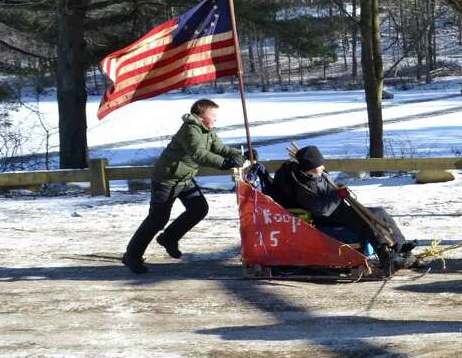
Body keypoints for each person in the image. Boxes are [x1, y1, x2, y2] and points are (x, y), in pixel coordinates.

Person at [253, 144, 417, 276]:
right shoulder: (303, 186)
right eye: (320, 165)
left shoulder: (317, 175)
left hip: (338, 209)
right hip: (329, 216)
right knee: (366, 223)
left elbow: (328, 191)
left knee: (379, 212)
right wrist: (337, 196)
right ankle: (387, 259)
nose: (323, 167)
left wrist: (337, 192)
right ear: (311, 167)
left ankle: (401, 246)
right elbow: (321, 210)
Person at [123, 98, 245, 274]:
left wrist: (241, 154)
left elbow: (221, 149)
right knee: (157, 219)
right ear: (201, 115)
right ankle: (131, 256)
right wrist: (225, 163)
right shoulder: (190, 130)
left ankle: (169, 238)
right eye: (213, 116)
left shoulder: (207, 131)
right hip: (166, 179)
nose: (216, 120)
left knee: (199, 208)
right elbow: (199, 154)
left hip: (185, 178)